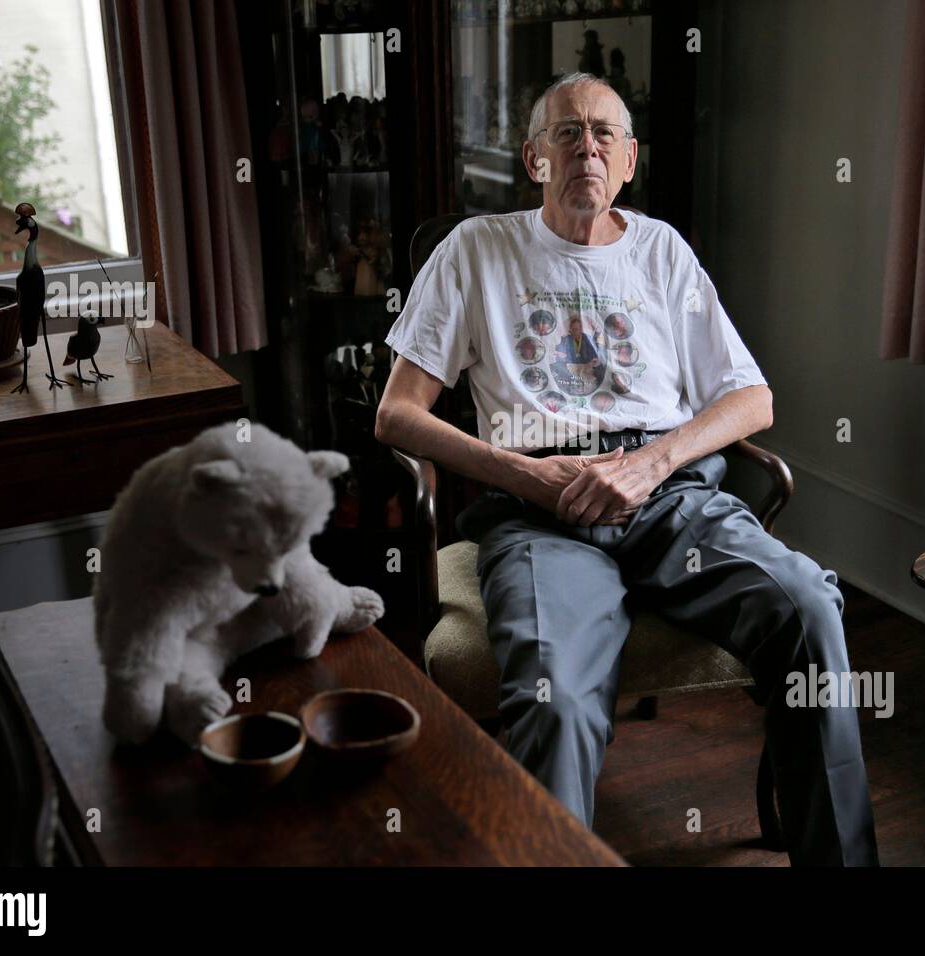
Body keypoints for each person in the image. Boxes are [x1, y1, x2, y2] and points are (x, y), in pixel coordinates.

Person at [376, 72, 879, 866]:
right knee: (555, 697)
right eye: (568, 132)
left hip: (670, 496)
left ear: (630, 158)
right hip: (539, 512)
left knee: (809, 612)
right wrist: (523, 475)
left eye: (605, 133)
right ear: (534, 157)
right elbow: (396, 414)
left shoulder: (662, 251)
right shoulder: (475, 249)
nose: (588, 147)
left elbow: (751, 399)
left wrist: (650, 465)